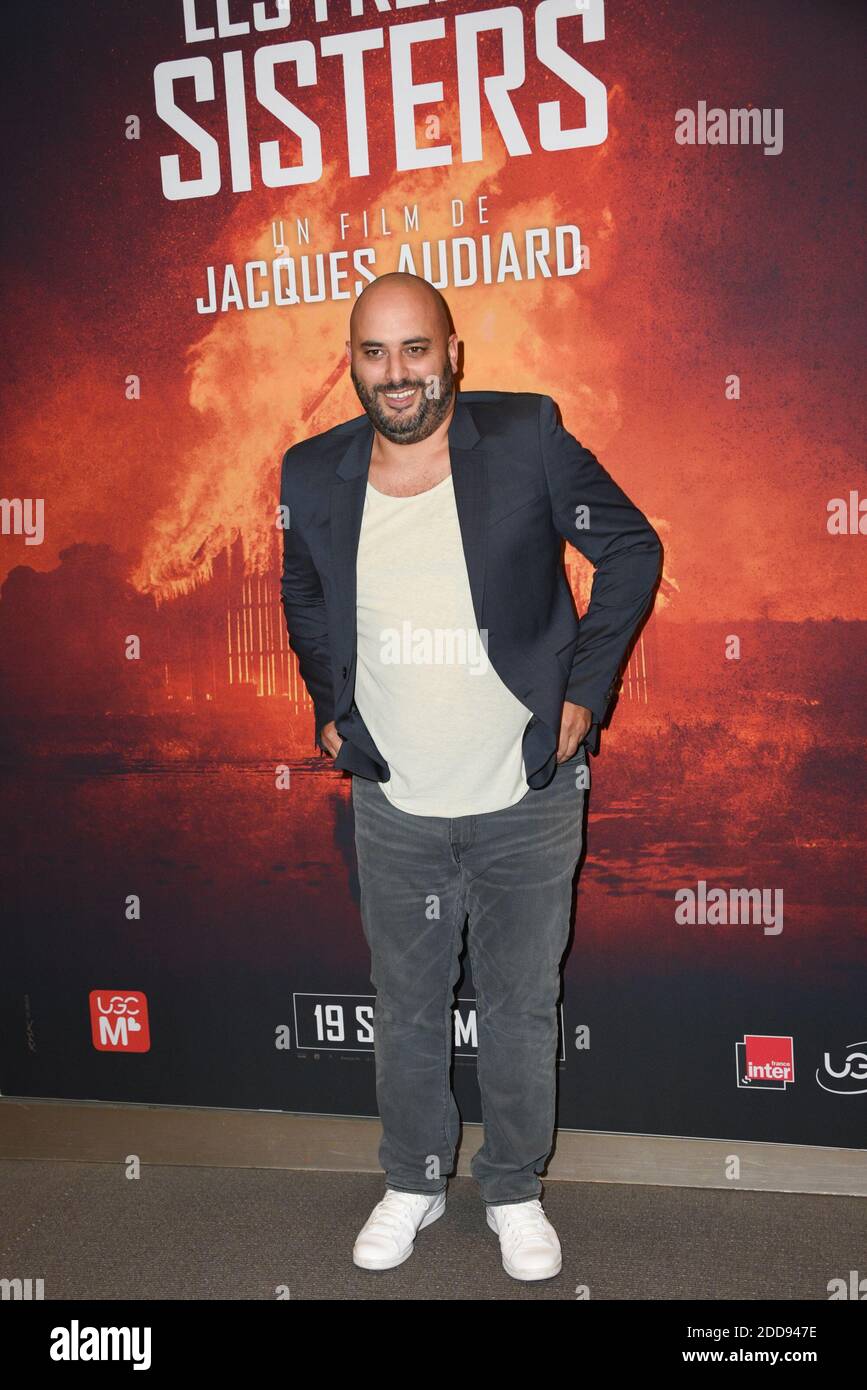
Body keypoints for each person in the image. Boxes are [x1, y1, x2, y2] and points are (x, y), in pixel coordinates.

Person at [279, 272, 661, 1281]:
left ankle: (513, 1190)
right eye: (374, 353)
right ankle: (412, 1180)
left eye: (415, 348)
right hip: (394, 801)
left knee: (520, 1007)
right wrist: (329, 705)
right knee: (404, 1006)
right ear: (352, 364)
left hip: (525, 794)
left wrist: (586, 689)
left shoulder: (526, 435)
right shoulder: (311, 472)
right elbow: (303, 590)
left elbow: (630, 549)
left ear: (452, 353)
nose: (396, 373)